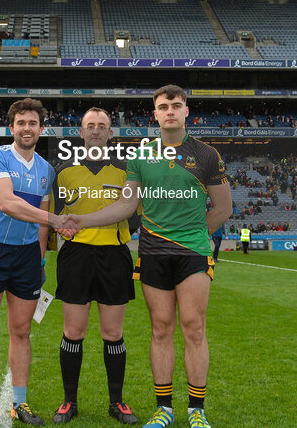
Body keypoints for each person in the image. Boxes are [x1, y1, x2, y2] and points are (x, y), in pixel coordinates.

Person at [71, 85, 232, 428]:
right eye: (163, 106)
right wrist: (81, 221)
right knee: (160, 329)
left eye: (176, 105)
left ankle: (196, 410)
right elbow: (126, 205)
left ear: (186, 111)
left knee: (194, 328)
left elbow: (223, 208)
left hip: (192, 253)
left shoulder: (207, 155)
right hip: (153, 252)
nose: (170, 110)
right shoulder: (141, 156)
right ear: (155, 115)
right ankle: (164, 409)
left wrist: (192, 236)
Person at [0, 98, 70, 428]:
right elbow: (7, 203)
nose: (26, 128)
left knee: (22, 331)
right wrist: (56, 219)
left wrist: (40, 259)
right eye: (21, 123)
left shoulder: (47, 170)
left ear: (41, 129)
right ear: (12, 127)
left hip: (26, 256)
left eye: (32, 123)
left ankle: (20, 403)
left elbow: (40, 223)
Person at [50, 107, 139, 425]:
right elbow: (56, 215)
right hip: (76, 257)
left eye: (102, 126)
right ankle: (69, 402)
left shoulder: (127, 170)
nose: (96, 130)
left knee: (113, 332)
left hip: (114, 256)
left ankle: (117, 402)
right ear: (82, 132)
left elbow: (134, 215)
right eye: (91, 125)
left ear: (111, 133)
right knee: (73, 331)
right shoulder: (63, 172)